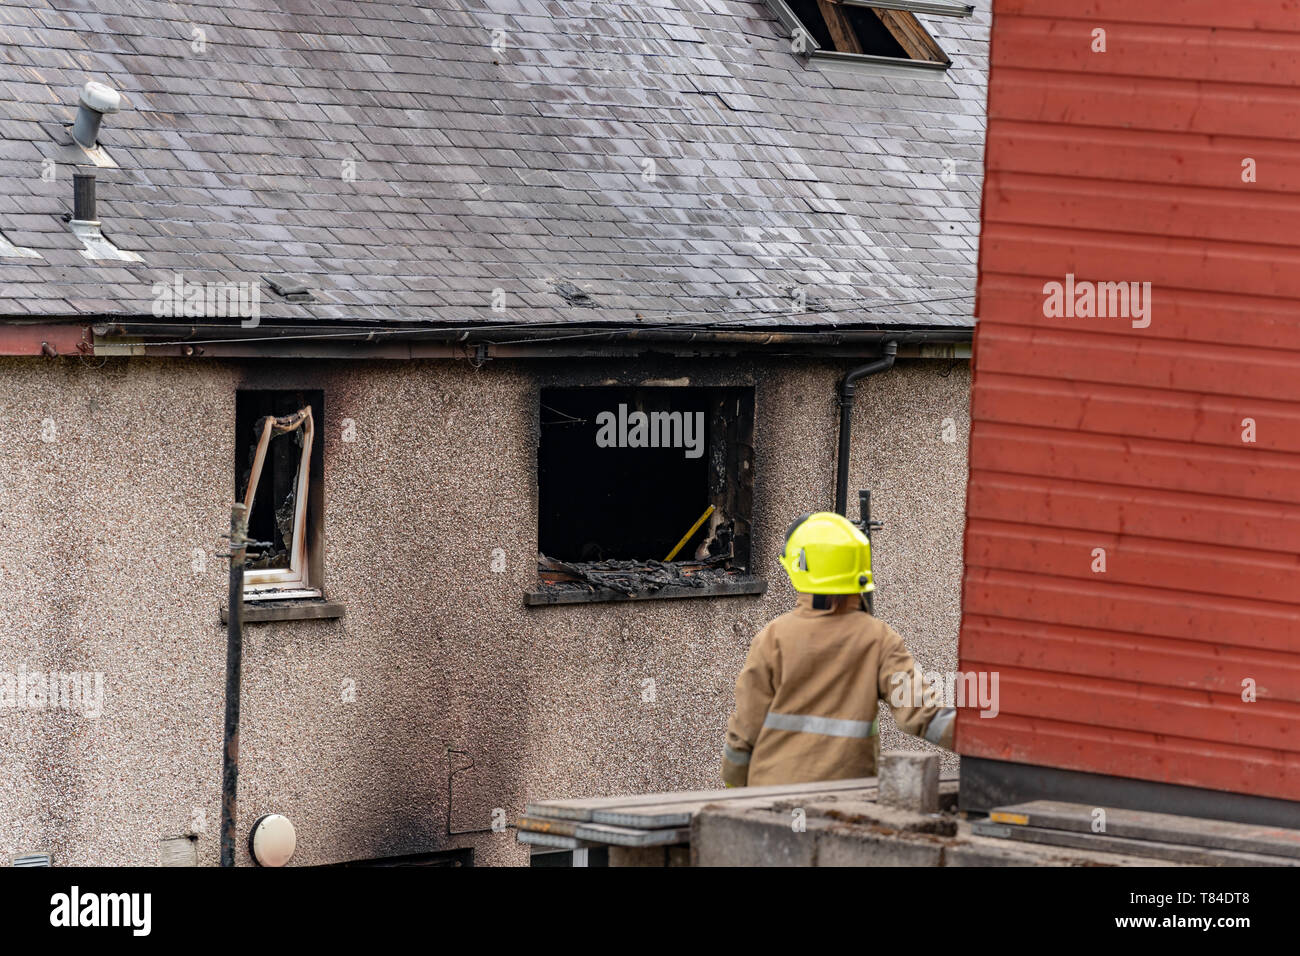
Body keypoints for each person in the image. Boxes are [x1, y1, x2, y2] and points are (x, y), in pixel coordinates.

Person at [721, 511, 955, 787]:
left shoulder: (773, 638)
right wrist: (995, 741)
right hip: (848, 800)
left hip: (773, 796)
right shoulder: (878, 639)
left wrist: (736, 790)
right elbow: (922, 713)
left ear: (800, 566)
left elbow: (745, 729)